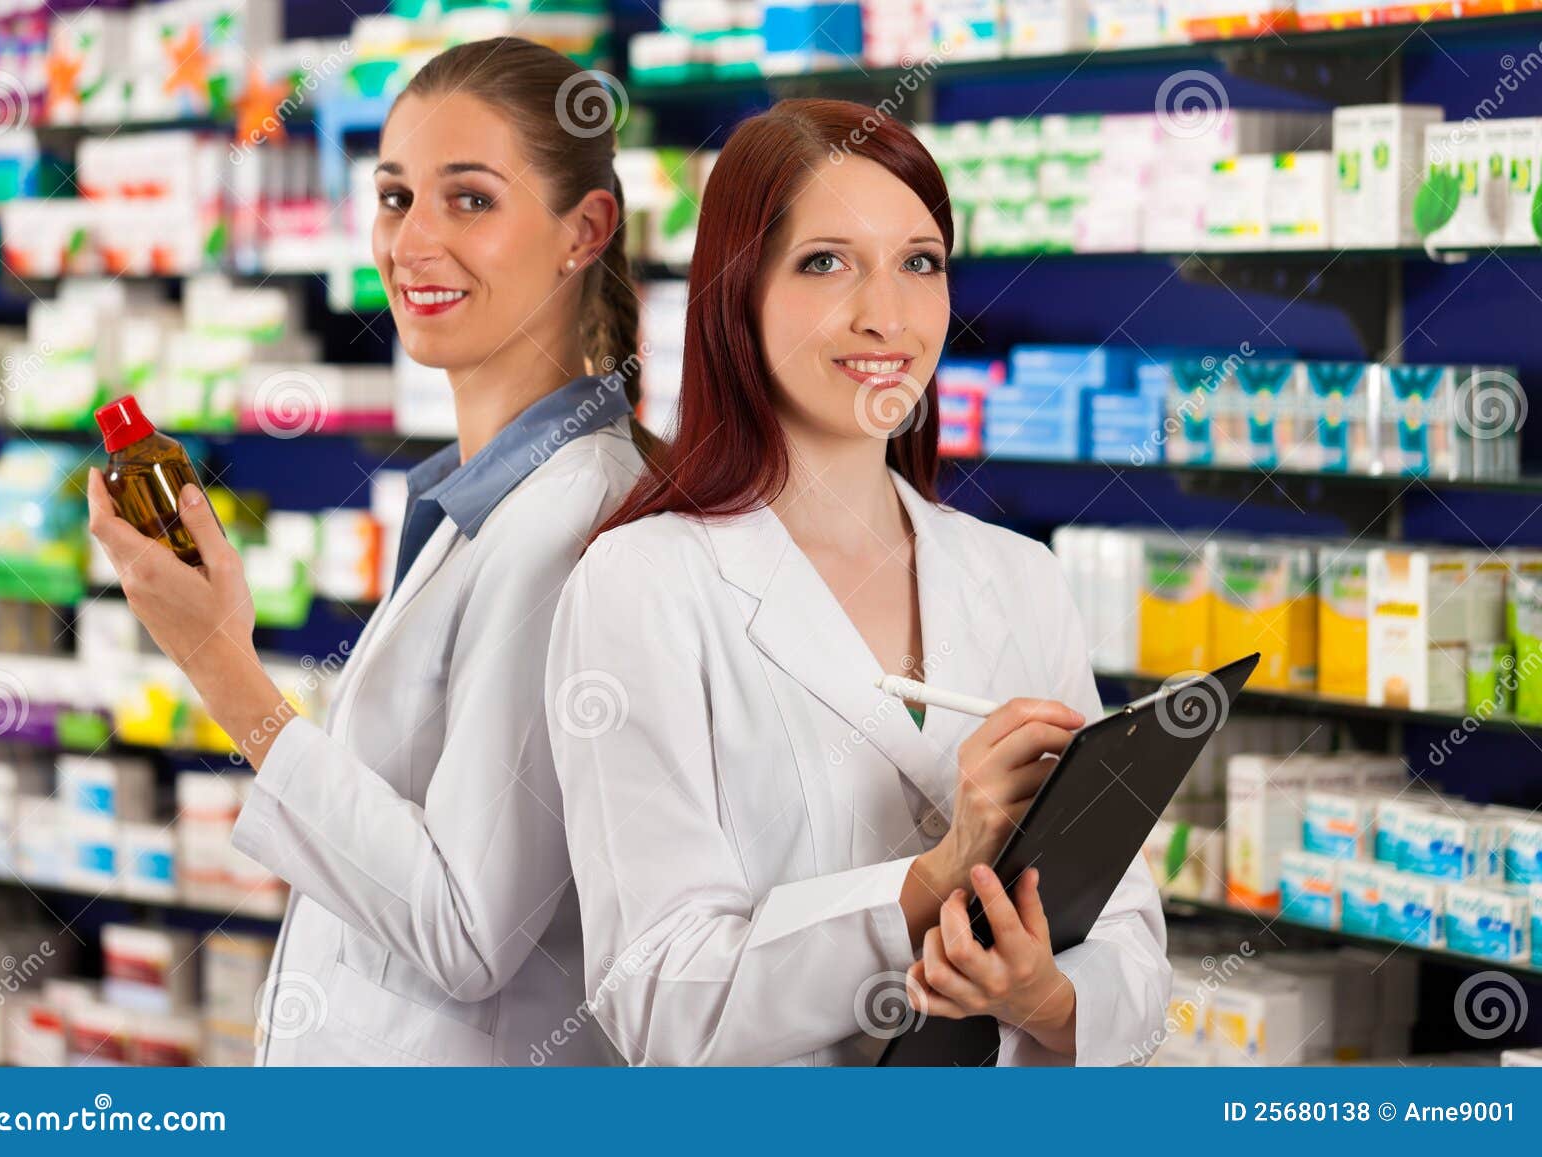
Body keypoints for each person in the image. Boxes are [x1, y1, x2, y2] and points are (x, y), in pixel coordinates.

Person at [544, 98, 1169, 1067]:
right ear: (735, 295)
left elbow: (1129, 936)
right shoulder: (643, 584)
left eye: (920, 262)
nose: (886, 314)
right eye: (826, 261)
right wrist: (931, 879)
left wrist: (1048, 997)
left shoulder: (1019, 578)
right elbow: (656, 997)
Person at [87, 37, 647, 1066]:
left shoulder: (571, 521)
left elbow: (464, 928)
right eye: (395, 198)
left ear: (585, 231)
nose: (412, 241)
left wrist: (223, 666)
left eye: (469, 200)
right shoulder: (480, 499)